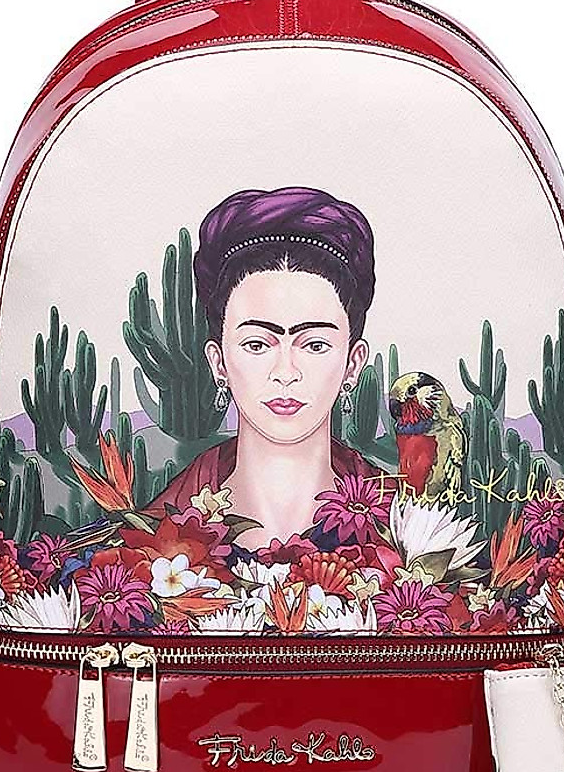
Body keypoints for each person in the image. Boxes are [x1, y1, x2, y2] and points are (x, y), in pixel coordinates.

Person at [145, 186, 387, 548]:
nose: (286, 373)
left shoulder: (408, 536)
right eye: (257, 344)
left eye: (315, 345)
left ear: (353, 364)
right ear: (218, 362)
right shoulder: (147, 546)